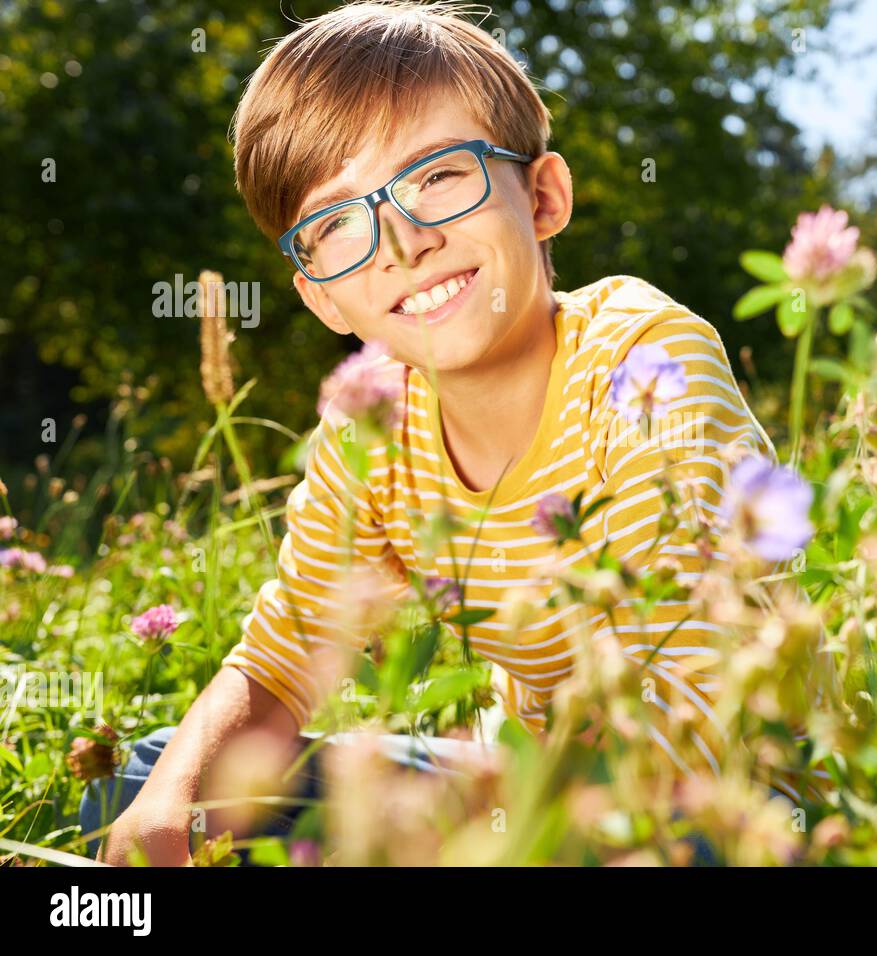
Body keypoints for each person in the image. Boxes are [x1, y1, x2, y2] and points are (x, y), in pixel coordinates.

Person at [87, 0, 822, 867]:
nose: (404, 241)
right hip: (526, 798)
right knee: (153, 782)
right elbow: (282, 661)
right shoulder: (370, 437)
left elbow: (693, 684)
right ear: (322, 297)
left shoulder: (645, 357)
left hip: (733, 790)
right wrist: (174, 807)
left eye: (438, 174)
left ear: (542, 196)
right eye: (338, 224)